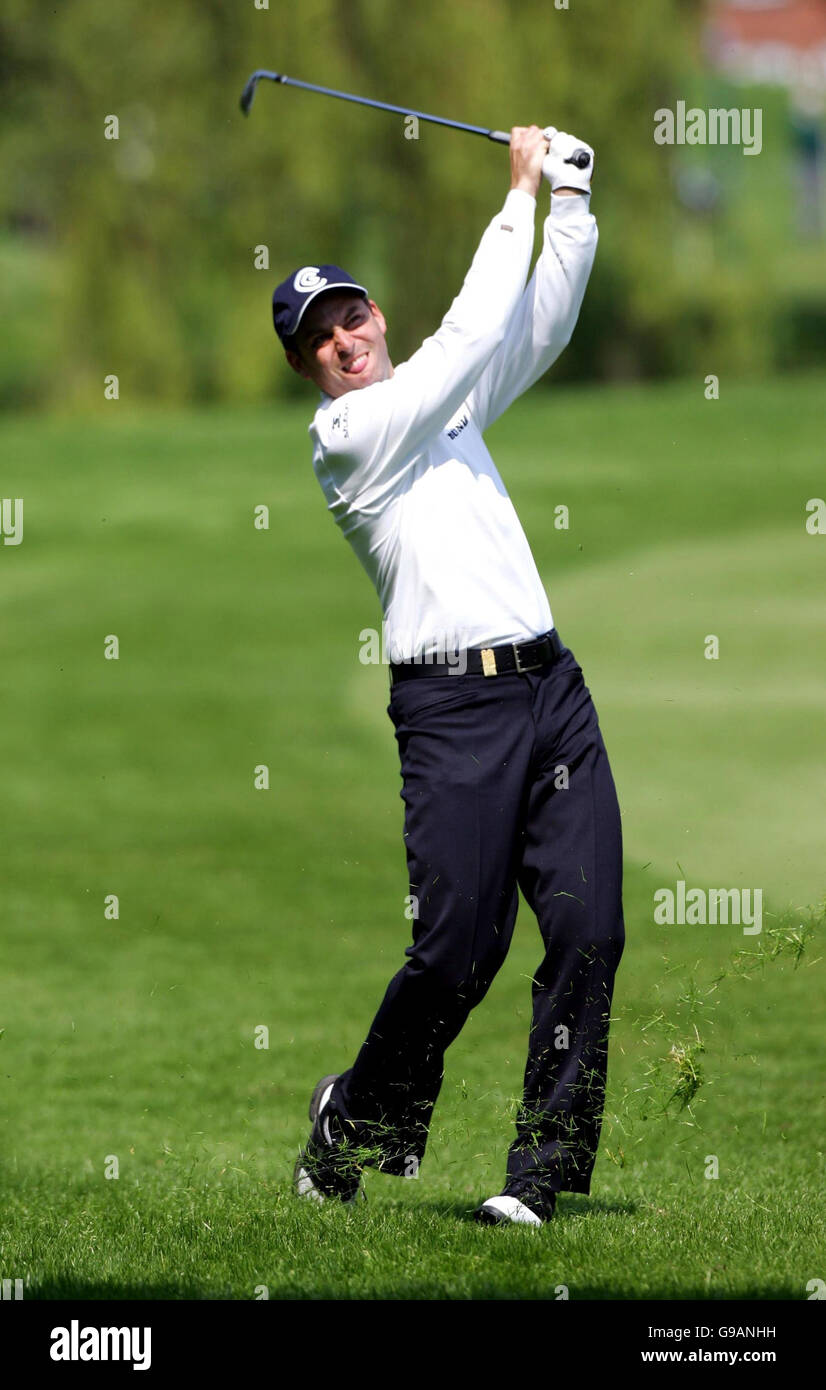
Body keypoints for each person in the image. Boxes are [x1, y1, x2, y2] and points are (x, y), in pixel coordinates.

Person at [273, 125, 625, 1226]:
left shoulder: (444, 391)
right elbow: (471, 334)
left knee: (588, 927)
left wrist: (566, 204)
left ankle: (539, 1177)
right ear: (305, 365)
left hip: (549, 692)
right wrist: (514, 190)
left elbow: (529, 328)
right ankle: (354, 1116)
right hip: (453, 712)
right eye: (320, 334)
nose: (345, 338)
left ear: (377, 315)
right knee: (456, 953)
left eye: (354, 314)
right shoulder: (352, 434)